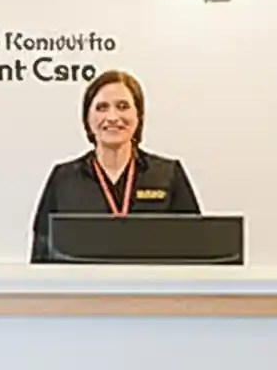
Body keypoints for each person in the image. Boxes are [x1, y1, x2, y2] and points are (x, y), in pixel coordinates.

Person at [31, 69, 200, 258]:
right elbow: (41, 256)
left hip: (151, 286)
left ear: (139, 116)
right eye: (102, 107)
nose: (112, 117)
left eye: (123, 106)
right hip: (84, 287)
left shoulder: (168, 174)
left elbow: (195, 251)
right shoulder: (63, 178)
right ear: (87, 119)